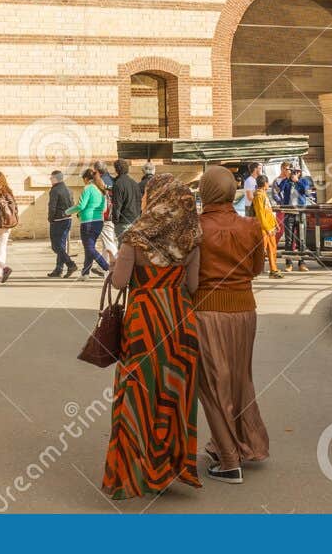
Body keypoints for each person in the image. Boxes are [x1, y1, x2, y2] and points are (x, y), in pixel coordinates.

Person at [102, 173, 202, 500]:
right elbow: (192, 287)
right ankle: (170, 468)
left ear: (154, 199)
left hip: (144, 322)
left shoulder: (134, 238)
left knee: (138, 393)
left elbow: (118, 283)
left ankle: (134, 472)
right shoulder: (191, 238)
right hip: (180, 321)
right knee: (175, 395)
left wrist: (114, 263)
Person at [192, 165, 270, 484]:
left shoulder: (195, 228)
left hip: (206, 310)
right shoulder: (251, 226)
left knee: (211, 385)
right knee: (239, 379)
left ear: (205, 191)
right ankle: (238, 443)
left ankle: (228, 460)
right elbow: (256, 268)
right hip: (245, 309)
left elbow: (190, 278)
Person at [75, 169, 109, 277]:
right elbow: (104, 208)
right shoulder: (101, 188)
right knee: (89, 247)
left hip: (87, 222)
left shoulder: (88, 188)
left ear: (85, 179)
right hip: (99, 222)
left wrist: (67, 212)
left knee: (89, 248)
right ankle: (85, 273)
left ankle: (107, 267)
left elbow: (80, 206)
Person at [45, 170, 77, 278]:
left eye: (51, 178)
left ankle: (70, 264)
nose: (50, 180)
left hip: (57, 221)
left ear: (55, 179)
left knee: (56, 246)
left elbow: (52, 207)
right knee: (61, 246)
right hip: (67, 219)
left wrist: (50, 218)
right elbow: (72, 205)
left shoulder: (55, 190)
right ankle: (59, 269)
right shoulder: (69, 190)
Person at [252, 174, 281, 278]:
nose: (268, 184)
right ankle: (252, 271)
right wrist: (267, 228)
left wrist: (275, 223)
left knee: (272, 249)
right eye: (268, 182)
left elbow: (269, 211)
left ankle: (274, 270)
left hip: (270, 226)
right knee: (261, 251)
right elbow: (260, 214)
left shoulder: (264, 194)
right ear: (265, 183)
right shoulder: (258, 196)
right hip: (264, 228)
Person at [109, 158, 142, 242]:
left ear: (116, 169)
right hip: (135, 220)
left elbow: (117, 204)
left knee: (123, 248)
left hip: (123, 222)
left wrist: (115, 220)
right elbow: (139, 202)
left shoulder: (118, 184)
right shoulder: (134, 183)